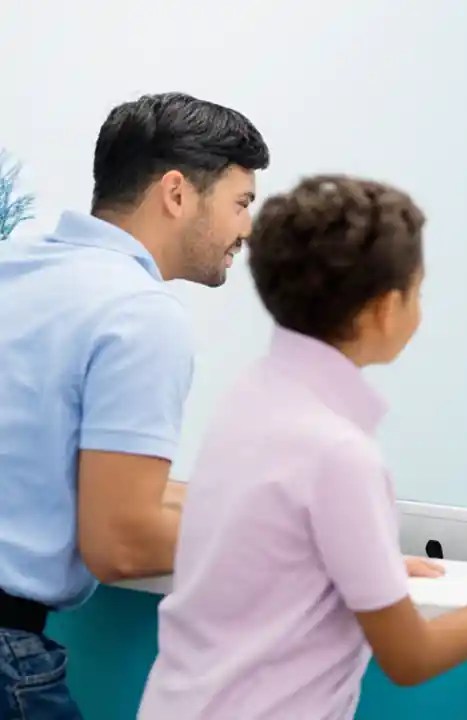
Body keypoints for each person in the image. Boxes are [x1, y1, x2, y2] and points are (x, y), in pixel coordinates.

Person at [137, 176, 467, 719]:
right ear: (382, 310)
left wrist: (365, 559)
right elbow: (410, 657)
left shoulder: (251, 396)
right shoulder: (339, 453)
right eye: (418, 291)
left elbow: (268, 541)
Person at [0, 92, 269, 718]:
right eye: (241, 203)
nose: (248, 231)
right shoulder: (139, 313)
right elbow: (119, 541)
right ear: (177, 193)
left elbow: (46, 466)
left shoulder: (15, 268)